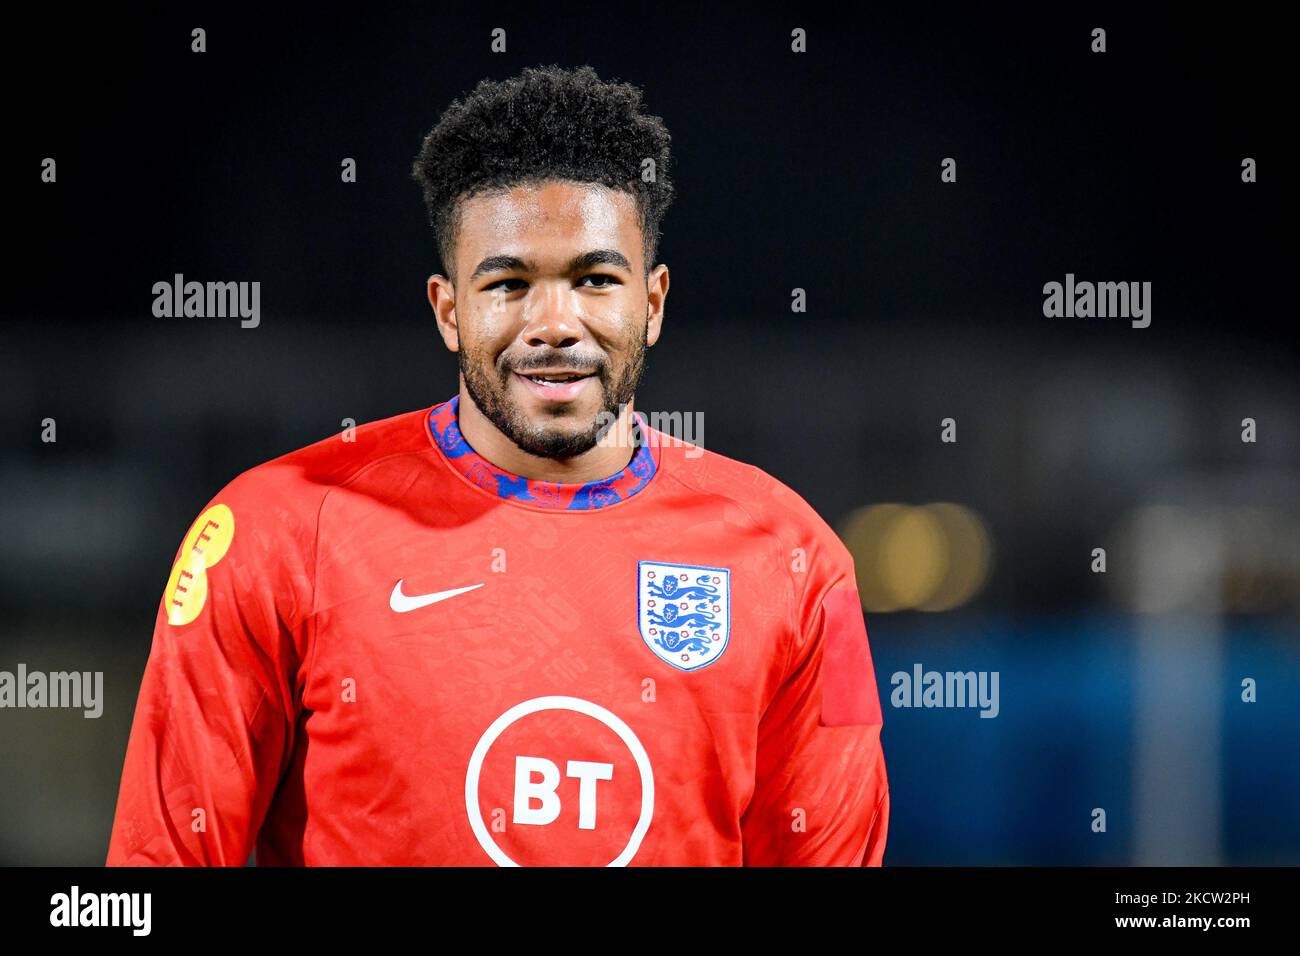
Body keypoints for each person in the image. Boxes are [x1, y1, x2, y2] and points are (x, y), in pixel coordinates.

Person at [106, 64, 888, 866]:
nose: (554, 323)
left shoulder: (797, 561)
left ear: (651, 304)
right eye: (509, 283)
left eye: (594, 279)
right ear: (449, 311)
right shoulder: (275, 530)